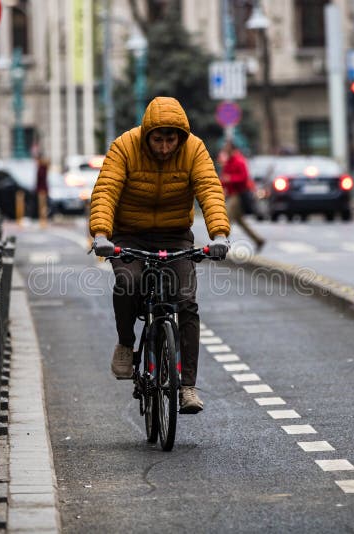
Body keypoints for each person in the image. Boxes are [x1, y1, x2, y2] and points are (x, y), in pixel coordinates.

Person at [89, 96, 231, 414]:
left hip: (174, 236)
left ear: (180, 137)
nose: (165, 148)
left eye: (171, 140)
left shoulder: (194, 149)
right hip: (129, 234)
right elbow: (106, 190)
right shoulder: (125, 147)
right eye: (158, 140)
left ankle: (187, 387)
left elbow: (209, 189)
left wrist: (219, 234)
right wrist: (101, 234)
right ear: (146, 136)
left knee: (186, 302)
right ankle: (126, 343)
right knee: (128, 281)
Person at [218, 140, 265, 252]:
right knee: (240, 221)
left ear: (231, 148)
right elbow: (224, 178)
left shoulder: (239, 160)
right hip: (232, 194)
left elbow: (244, 177)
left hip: (238, 194)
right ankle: (258, 240)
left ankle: (221, 243)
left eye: (226, 147)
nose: (224, 149)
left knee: (226, 218)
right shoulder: (229, 161)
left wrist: (230, 179)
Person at [36, 155, 50, 225]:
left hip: (42, 190)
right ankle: (43, 219)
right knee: (42, 206)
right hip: (43, 189)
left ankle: (43, 219)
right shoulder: (43, 168)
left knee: (42, 206)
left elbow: (40, 180)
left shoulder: (42, 169)